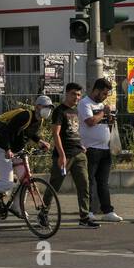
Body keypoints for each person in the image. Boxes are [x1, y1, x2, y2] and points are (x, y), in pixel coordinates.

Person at [0, 96, 52, 216]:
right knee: (7, 183)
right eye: (46, 107)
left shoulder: (39, 120)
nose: (48, 110)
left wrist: (40, 141)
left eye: (50, 108)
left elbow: (29, 133)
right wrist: (7, 149)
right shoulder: (25, 116)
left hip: (18, 151)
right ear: (37, 107)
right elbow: (6, 131)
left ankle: (17, 207)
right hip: (2, 149)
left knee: (26, 180)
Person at [42, 83, 98, 227]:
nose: (76, 97)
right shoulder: (59, 111)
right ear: (67, 94)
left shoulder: (76, 110)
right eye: (73, 94)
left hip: (78, 153)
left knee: (84, 185)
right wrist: (61, 155)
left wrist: (81, 145)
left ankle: (84, 217)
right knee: (55, 185)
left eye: (79, 95)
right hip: (64, 154)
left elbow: (74, 131)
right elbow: (56, 133)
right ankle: (43, 213)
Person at [79, 77, 122, 223]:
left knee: (103, 182)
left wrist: (109, 117)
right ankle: (88, 211)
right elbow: (90, 122)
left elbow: (105, 124)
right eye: (103, 93)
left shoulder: (102, 104)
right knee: (90, 181)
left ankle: (108, 210)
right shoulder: (85, 103)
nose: (105, 97)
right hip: (91, 148)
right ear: (96, 90)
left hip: (105, 148)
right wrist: (104, 112)